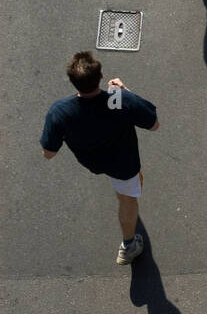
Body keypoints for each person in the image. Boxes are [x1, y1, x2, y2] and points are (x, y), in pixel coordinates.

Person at [40, 51, 159, 266]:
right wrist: (124, 92)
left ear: (72, 82)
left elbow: (48, 153)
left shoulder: (59, 112)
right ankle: (129, 246)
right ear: (101, 76)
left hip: (94, 163)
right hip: (124, 165)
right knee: (127, 200)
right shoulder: (118, 99)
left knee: (120, 191)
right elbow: (153, 124)